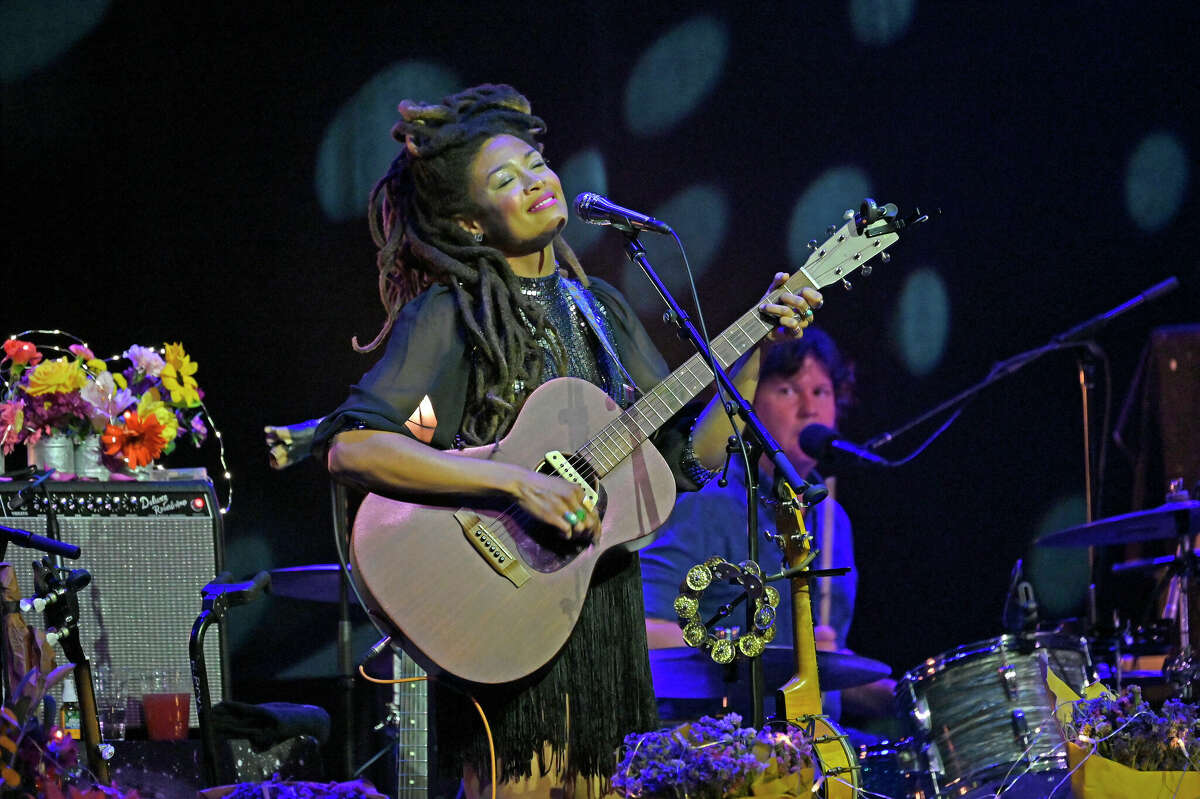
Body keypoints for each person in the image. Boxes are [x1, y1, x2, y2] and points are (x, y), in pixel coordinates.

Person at [310, 84, 824, 797]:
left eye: (534, 163)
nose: (533, 182)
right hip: (503, 610)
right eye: (503, 180)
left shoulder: (603, 311)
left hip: (601, 624)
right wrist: (517, 482)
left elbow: (693, 458)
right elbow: (353, 449)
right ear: (467, 220)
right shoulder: (451, 311)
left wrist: (757, 344)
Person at [641, 329, 893, 726]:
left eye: (821, 392)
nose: (810, 410)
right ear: (750, 406)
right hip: (715, 743)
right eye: (789, 391)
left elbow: (827, 672)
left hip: (813, 743)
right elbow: (647, 629)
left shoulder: (833, 522)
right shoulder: (707, 501)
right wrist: (762, 660)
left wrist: (911, 699)